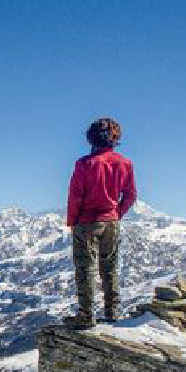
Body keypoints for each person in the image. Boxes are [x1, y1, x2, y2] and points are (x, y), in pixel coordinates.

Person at [64, 117, 136, 330]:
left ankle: (86, 315)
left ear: (90, 139)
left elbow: (75, 196)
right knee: (110, 267)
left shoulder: (84, 164)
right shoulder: (125, 163)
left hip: (86, 222)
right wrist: (116, 214)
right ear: (115, 139)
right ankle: (112, 312)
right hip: (111, 221)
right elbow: (130, 195)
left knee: (86, 268)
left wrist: (73, 221)